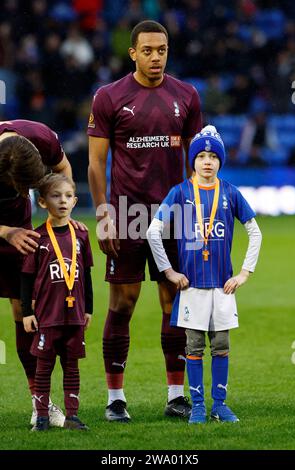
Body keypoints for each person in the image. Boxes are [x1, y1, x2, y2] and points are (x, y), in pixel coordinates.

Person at [88, 20, 202, 422]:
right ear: (133, 53)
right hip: (128, 214)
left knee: (175, 303)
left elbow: (197, 161)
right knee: (123, 303)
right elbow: (96, 164)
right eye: (148, 50)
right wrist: (104, 214)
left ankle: (175, 395)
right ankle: (115, 399)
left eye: (162, 50)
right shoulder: (109, 97)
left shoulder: (186, 96)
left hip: (175, 215)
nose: (156, 57)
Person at [147, 125, 262, 424]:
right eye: (202, 156)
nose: (207, 161)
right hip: (192, 287)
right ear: (193, 160)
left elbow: (255, 233)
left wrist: (244, 274)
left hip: (223, 288)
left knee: (221, 346)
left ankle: (219, 406)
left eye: (213, 156)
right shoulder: (180, 192)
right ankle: (198, 406)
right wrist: (169, 271)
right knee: (194, 346)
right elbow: (152, 231)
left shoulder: (230, 193)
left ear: (220, 161)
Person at [0, 119, 81, 427]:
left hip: (18, 231)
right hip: (8, 229)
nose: (23, 193)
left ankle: (40, 404)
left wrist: (61, 220)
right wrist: (5, 231)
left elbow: (64, 174)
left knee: (24, 310)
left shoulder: (43, 137)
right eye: (17, 189)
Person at [21, 173, 93, 431]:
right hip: (47, 315)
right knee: (44, 367)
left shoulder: (82, 237)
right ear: (42, 202)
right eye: (55, 196)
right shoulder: (37, 237)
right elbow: (27, 279)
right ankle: (41, 416)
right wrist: (27, 312)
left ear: (75, 201)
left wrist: (89, 309)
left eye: (67, 196)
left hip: (74, 315)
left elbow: (86, 275)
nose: (62, 201)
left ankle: (72, 416)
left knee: (71, 365)